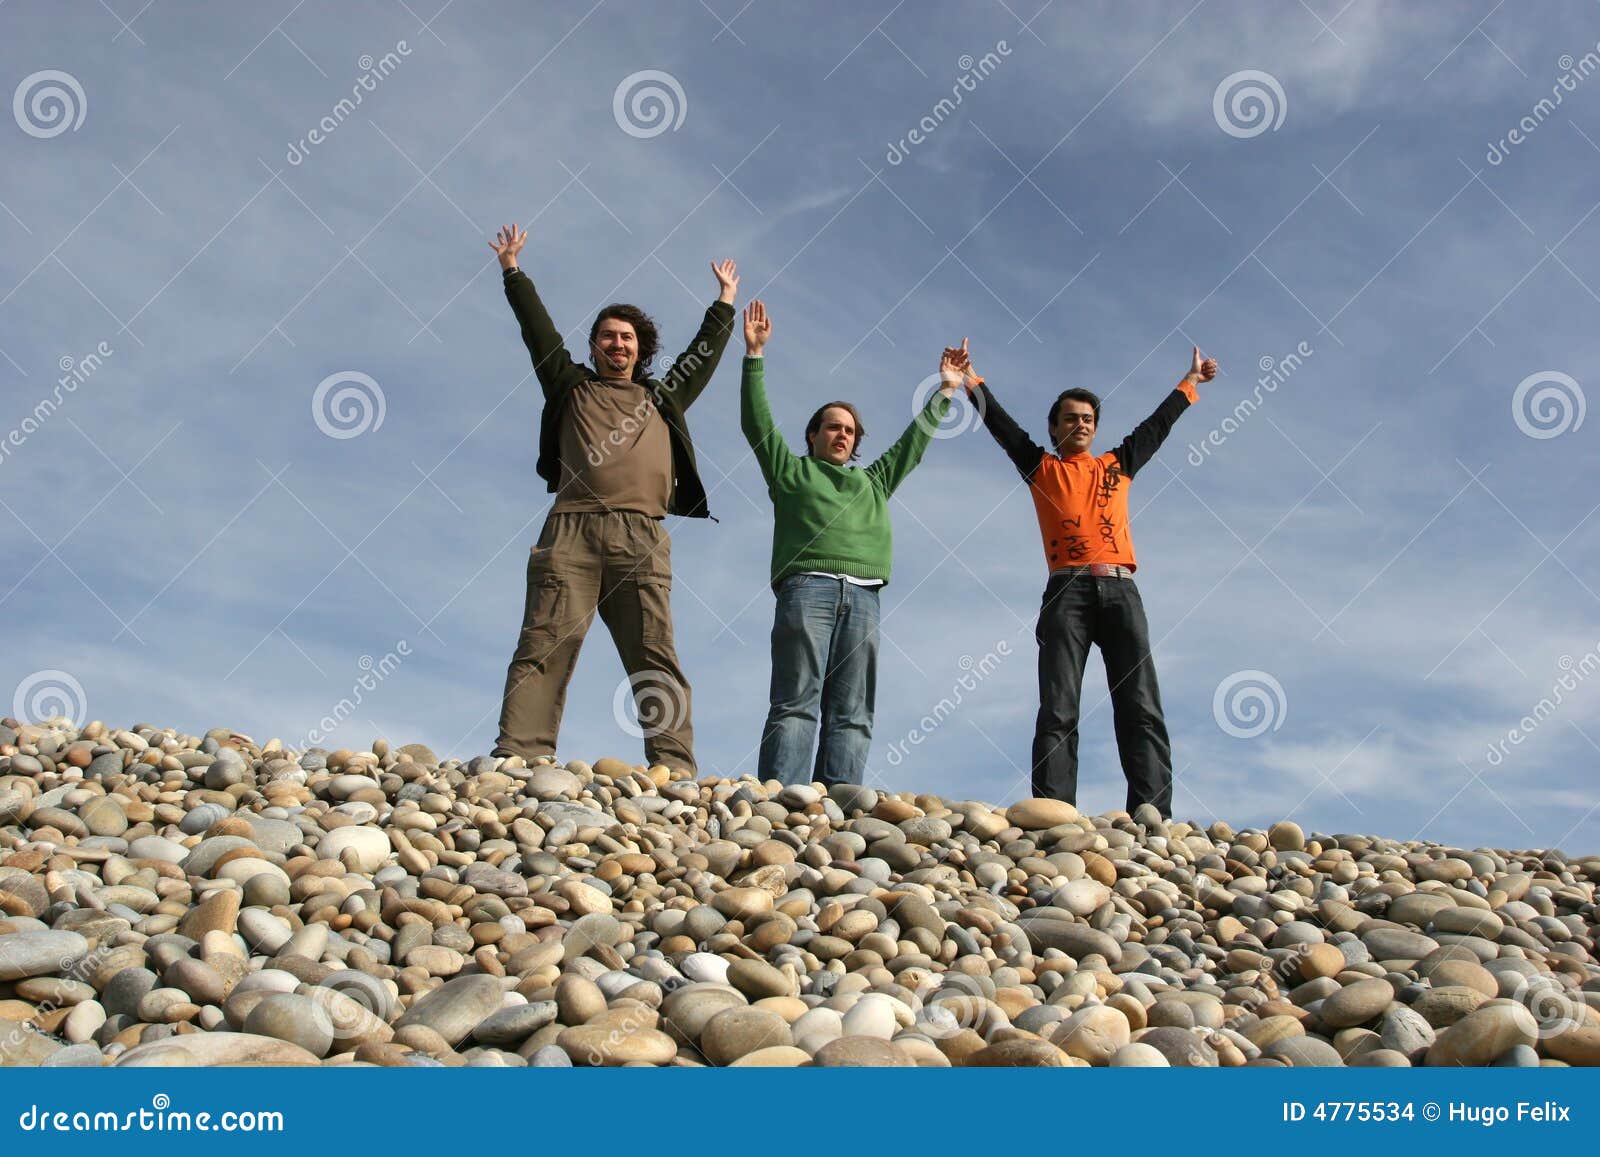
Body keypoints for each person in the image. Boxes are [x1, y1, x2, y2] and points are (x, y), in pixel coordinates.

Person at [487, 222, 738, 772]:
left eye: (627, 337)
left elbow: (703, 356)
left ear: (640, 349)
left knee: (654, 653)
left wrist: (723, 304)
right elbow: (538, 331)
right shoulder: (570, 386)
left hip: (641, 537)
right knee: (544, 643)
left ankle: (673, 767)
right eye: (607, 336)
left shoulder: (663, 397)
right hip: (571, 531)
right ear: (594, 346)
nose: (617, 344)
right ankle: (520, 758)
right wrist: (512, 271)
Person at [948, 339, 1217, 817]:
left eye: (1088, 419)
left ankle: (1151, 815)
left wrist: (1190, 382)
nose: (1081, 424)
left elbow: (1157, 426)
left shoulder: (1117, 465)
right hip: (1067, 592)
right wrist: (972, 380)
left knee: (1140, 704)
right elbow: (1003, 427)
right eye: (1070, 418)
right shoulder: (1042, 467)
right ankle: (1055, 814)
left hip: (1121, 590)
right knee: (1058, 706)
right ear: (1054, 427)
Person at [740, 298, 961, 786]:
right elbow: (756, 423)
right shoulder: (789, 470)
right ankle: (781, 800)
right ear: (813, 435)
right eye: (833, 427)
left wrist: (945, 391)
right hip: (808, 589)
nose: (842, 435)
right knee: (796, 702)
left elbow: (913, 444)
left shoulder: (874, 481)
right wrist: (754, 356)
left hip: (864, 595)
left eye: (850, 430)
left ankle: (839, 806)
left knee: (853, 710)